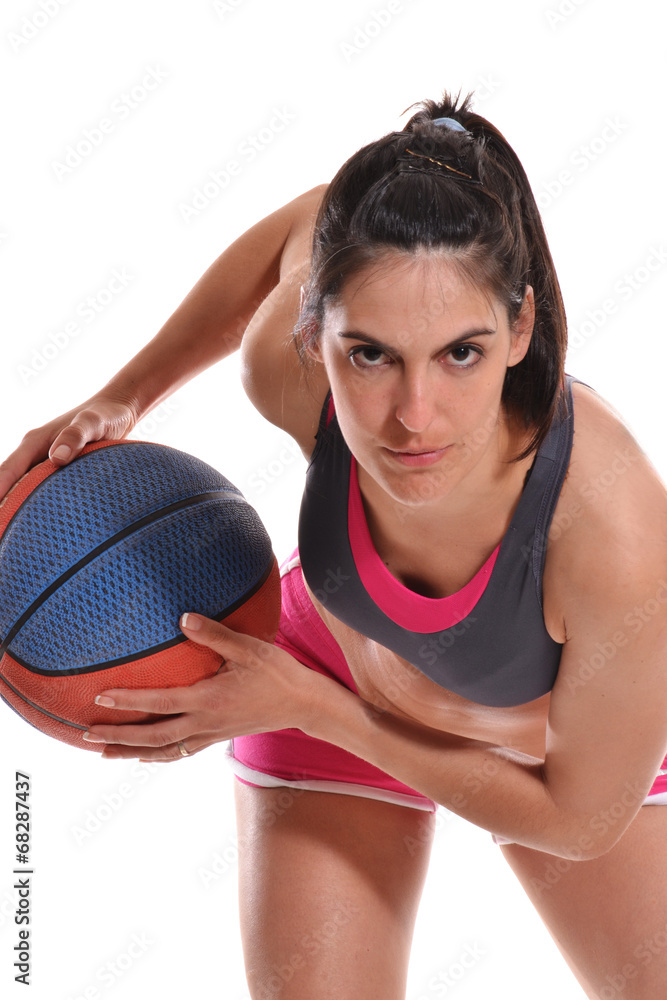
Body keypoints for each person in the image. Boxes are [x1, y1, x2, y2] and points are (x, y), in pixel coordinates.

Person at [2, 90, 666, 999]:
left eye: (460, 353)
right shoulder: (288, 370)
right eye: (370, 354)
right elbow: (303, 225)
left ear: (519, 325)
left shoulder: (612, 530)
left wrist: (316, 709)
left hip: (564, 751)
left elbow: (578, 821)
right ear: (315, 330)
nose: (413, 416)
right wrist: (128, 393)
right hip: (331, 674)